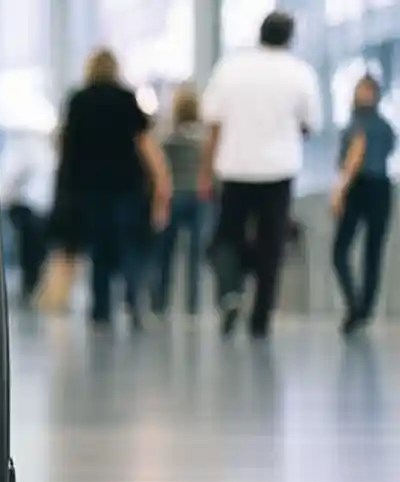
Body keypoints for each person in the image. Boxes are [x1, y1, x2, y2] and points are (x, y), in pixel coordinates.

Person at [199, 11, 322, 339]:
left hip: (235, 168)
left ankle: (229, 291)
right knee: (272, 244)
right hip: (278, 171)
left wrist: (205, 172)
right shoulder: (300, 73)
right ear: (289, 37)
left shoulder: (231, 68)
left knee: (226, 238)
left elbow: (213, 124)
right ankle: (260, 320)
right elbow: (309, 124)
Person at [58, 48, 171, 330]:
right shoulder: (126, 99)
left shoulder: (78, 101)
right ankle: (133, 304)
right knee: (128, 247)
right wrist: (160, 182)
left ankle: (100, 311)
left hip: (90, 188)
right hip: (126, 186)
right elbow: (144, 143)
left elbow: (67, 148)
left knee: (99, 250)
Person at [331, 75, 395, 336]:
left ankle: (356, 307)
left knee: (340, 250)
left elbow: (356, 153)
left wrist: (340, 190)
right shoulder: (386, 127)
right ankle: (363, 308)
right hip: (381, 187)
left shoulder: (358, 124)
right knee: (373, 251)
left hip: (359, 186)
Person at [152, 84, 209, 318]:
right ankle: (192, 305)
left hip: (174, 196)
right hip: (199, 197)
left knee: (165, 253)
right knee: (195, 256)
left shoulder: (167, 138)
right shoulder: (204, 139)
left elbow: (161, 170)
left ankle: (160, 303)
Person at [0, 131, 55, 304]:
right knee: (34, 250)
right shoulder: (44, 153)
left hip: (31, 206)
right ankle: (32, 285)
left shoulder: (34, 153)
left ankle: (30, 285)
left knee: (29, 250)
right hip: (37, 207)